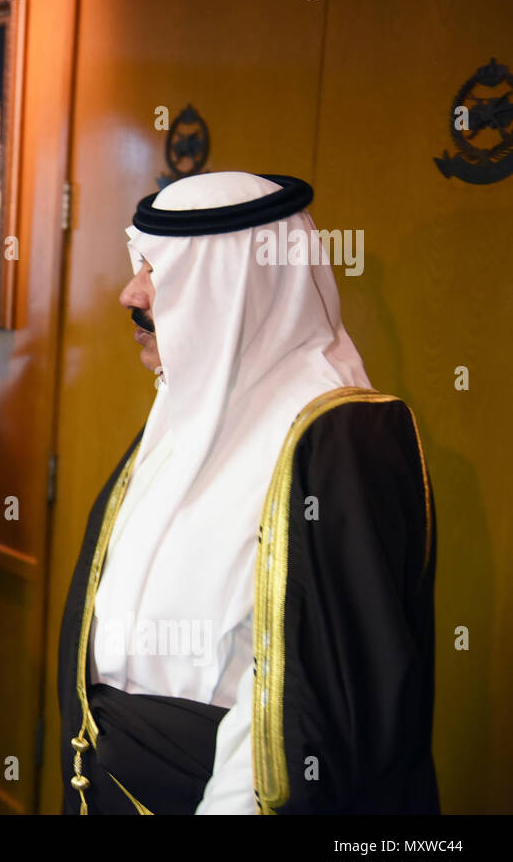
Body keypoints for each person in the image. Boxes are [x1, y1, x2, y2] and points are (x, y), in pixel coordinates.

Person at [57, 172, 437, 815]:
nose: (131, 291)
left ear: (238, 286)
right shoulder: (185, 412)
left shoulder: (338, 442)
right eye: (139, 263)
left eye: (161, 269)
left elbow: (310, 707)